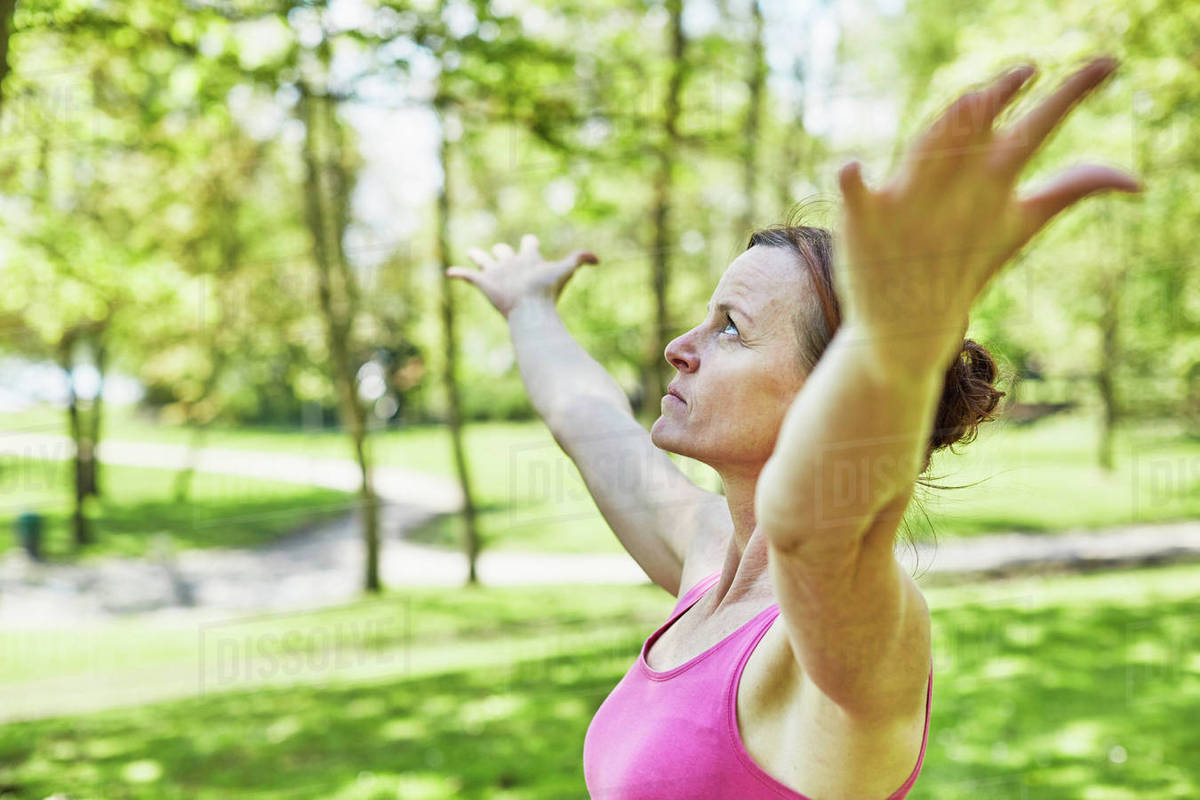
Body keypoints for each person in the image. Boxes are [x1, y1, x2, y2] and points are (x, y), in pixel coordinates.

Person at [447, 57, 1139, 799]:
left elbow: (815, 531)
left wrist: (897, 341)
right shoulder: (710, 558)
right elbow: (586, 421)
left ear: (824, 392)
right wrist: (529, 307)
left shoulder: (850, 633)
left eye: (731, 330)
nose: (680, 348)